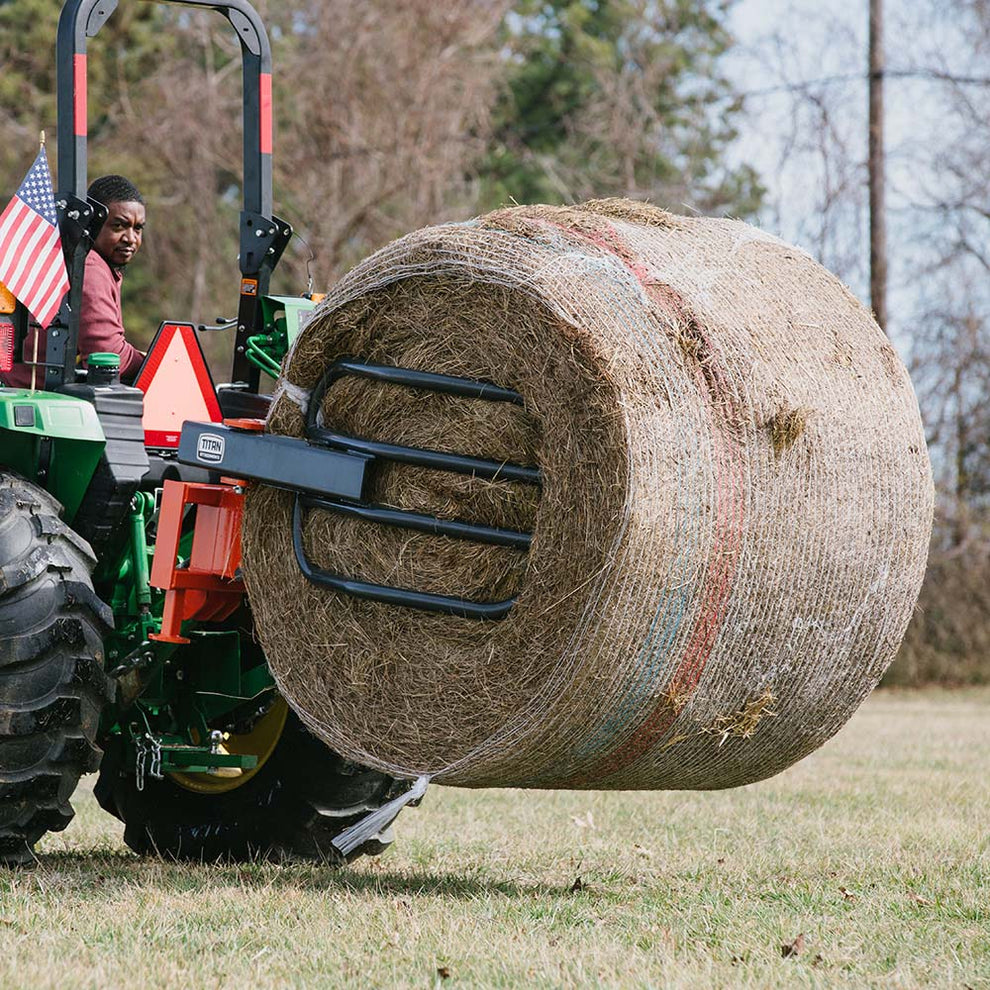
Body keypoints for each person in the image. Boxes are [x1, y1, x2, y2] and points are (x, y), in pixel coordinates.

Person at [1, 174, 146, 388]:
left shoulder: (88, 260)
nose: (131, 238)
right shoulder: (89, 266)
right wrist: (151, 360)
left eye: (137, 228)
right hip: (31, 392)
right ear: (95, 224)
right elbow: (106, 356)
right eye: (118, 226)